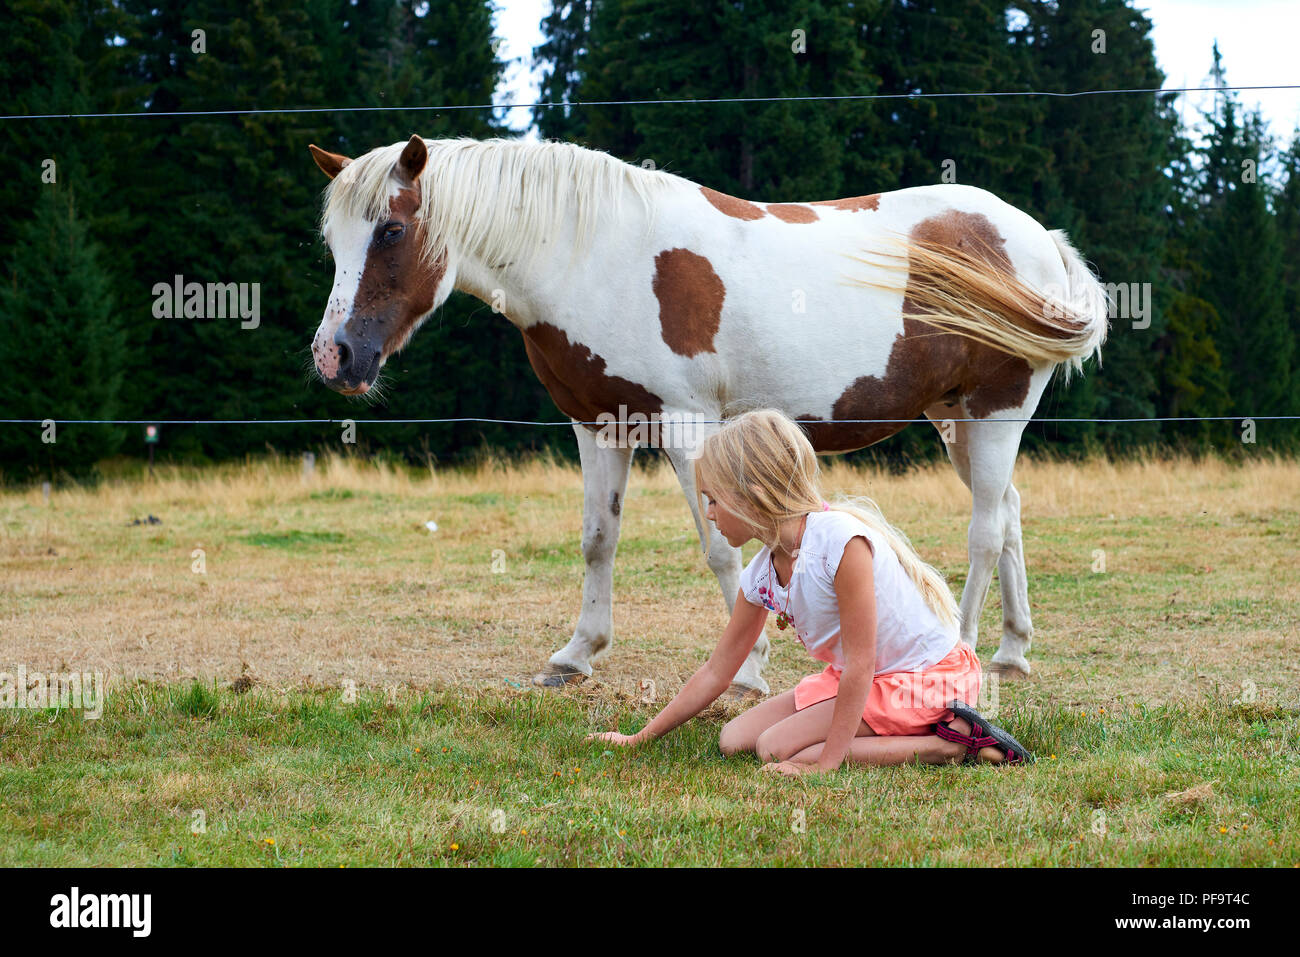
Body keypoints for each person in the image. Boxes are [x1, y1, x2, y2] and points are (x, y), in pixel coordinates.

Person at [586, 408, 1032, 774]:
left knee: (776, 748)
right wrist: (638, 738)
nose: (708, 514)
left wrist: (826, 765)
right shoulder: (760, 574)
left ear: (751, 496)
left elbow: (860, 663)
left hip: (922, 680)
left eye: (714, 500)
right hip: (867, 679)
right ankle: (920, 739)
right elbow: (717, 671)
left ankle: (951, 745)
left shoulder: (839, 544)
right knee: (733, 739)